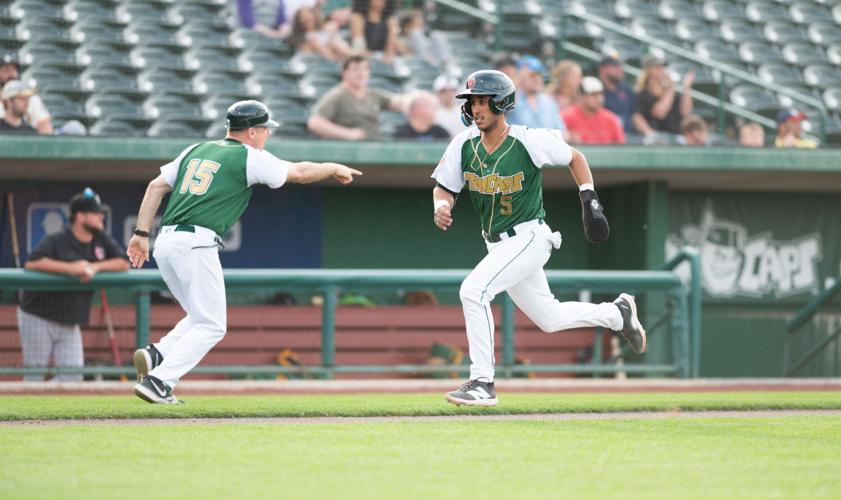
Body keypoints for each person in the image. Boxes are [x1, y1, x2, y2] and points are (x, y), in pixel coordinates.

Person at [430, 70, 646, 407]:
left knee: (473, 291)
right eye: (472, 102)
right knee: (550, 318)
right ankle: (616, 314)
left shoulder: (527, 139)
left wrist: (589, 199)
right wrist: (441, 206)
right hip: (497, 243)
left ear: (501, 103)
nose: (476, 108)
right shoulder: (463, 143)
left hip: (529, 236)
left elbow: (575, 157)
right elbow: (444, 188)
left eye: (483, 101)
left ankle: (482, 382)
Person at [127, 100, 361, 404]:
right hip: (196, 243)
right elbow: (301, 172)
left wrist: (140, 234)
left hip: (165, 242)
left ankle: (157, 353)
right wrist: (332, 167)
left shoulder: (196, 149)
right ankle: (159, 381)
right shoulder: (248, 156)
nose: (267, 134)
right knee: (212, 325)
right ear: (251, 131)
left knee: (200, 316)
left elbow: (155, 187)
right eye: (265, 129)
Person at [18, 188, 130, 382]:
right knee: (34, 378)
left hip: (69, 319)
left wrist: (94, 267)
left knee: (73, 377)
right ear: (80, 216)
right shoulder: (58, 239)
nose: (101, 216)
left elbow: (123, 263)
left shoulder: (100, 239)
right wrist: (71, 268)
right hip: (38, 315)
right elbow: (32, 263)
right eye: (95, 213)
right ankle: (35, 400)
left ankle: (45, 400)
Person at [307, 54, 405, 140]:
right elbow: (315, 122)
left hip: (374, 146)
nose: (361, 73)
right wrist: (347, 133)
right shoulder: (337, 95)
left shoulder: (374, 95)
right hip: (349, 149)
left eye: (364, 69)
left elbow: (398, 102)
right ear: (344, 73)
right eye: (355, 69)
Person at [635, 54, 694, 135]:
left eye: (663, 67)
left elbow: (685, 112)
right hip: (657, 137)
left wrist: (686, 87)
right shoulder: (642, 94)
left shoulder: (670, 92)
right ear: (648, 70)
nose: (662, 70)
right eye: (658, 67)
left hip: (676, 135)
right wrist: (671, 88)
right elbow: (659, 114)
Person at [598, 53, 654, 137]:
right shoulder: (594, 91)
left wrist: (650, 133)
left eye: (620, 66)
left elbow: (635, 116)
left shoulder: (627, 91)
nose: (620, 70)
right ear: (603, 69)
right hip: (605, 138)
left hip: (629, 136)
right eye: (615, 66)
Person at [506, 56, 566, 131]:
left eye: (539, 75)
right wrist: (519, 77)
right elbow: (505, 107)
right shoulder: (515, 97)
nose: (537, 79)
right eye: (532, 76)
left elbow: (561, 130)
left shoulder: (548, 101)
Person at [562, 76, 625, 145]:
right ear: (580, 96)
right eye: (593, 95)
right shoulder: (566, 117)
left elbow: (621, 148)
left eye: (601, 94)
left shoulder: (611, 119)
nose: (599, 99)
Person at [0, 52, 53, 134]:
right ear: (8, 101)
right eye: (6, 70)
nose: (12, 74)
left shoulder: (31, 98)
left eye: (14, 70)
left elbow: (45, 125)